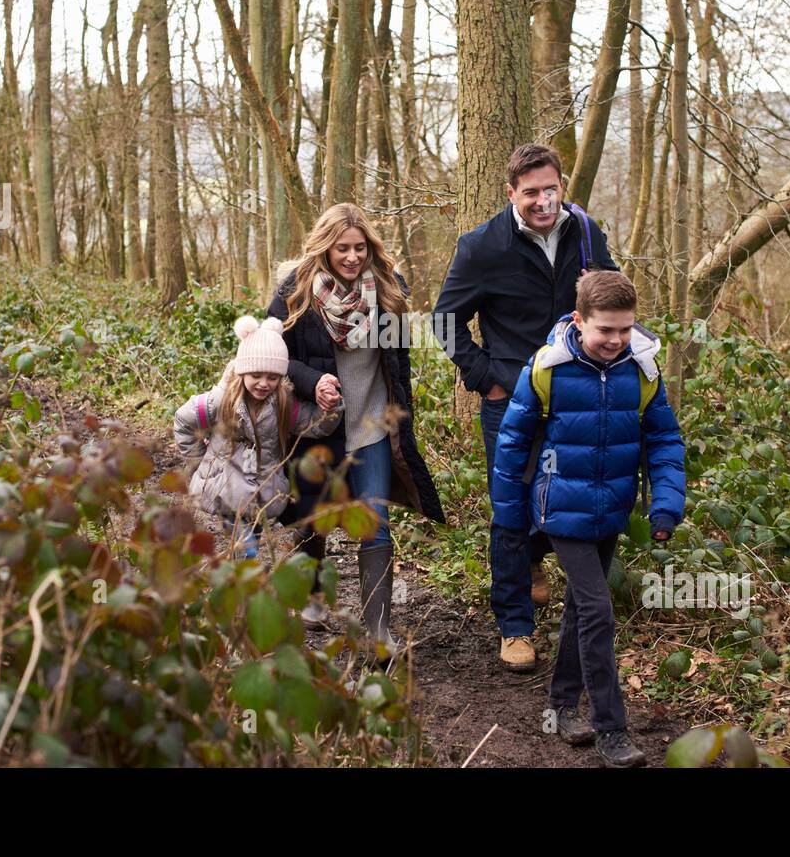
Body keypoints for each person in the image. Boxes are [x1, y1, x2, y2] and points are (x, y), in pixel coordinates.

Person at [432, 143, 618, 671]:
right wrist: (487, 378)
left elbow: (606, 295)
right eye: (531, 192)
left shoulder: (585, 233)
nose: (542, 201)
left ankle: (538, 564)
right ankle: (515, 626)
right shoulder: (481, 247)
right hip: (511, 399)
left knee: (571, 494)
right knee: (511, 510)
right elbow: (445, 321)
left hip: (579, 395)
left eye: (550, 189)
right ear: (511, 193)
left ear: (563, 186)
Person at [490, 271, 686, 767]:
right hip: (560, 508)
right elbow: (512, 444)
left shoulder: (642, 369)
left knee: (581, 609)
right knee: (599, 611)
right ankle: (611, 729)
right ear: (579, 322)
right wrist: (511, 516)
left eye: (625, 329)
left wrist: (665, 503)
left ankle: (560, 706)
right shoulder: (547, 367)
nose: (616, 341)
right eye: (605, 331)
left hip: (611, 509)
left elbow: (664, 440)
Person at [268, 203, 446, 652]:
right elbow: (271, 353)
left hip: (371, 428)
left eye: (359, 247)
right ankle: (310, 597)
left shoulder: (389, 290)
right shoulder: (296, 290)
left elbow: (399, 359)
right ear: (325, 248)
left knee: (375, 523)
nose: (351, 257)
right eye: (342, 248)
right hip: (316, 428)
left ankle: (378, 632)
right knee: (315, 518)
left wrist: (403, 415)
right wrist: (312, 381)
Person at [173, 315, 342, 560]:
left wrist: (331, 407)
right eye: (256, 376)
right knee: (247, 549)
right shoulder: (221, 401)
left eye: (272, 377)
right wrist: (199, 463)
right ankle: (245, 587)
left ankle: (238, 583)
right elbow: (183, 420)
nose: (263, 384)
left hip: (262, 493)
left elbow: (313, 425)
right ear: (242, 372)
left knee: (250, 540)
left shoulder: (283, 404)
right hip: (226, 490)